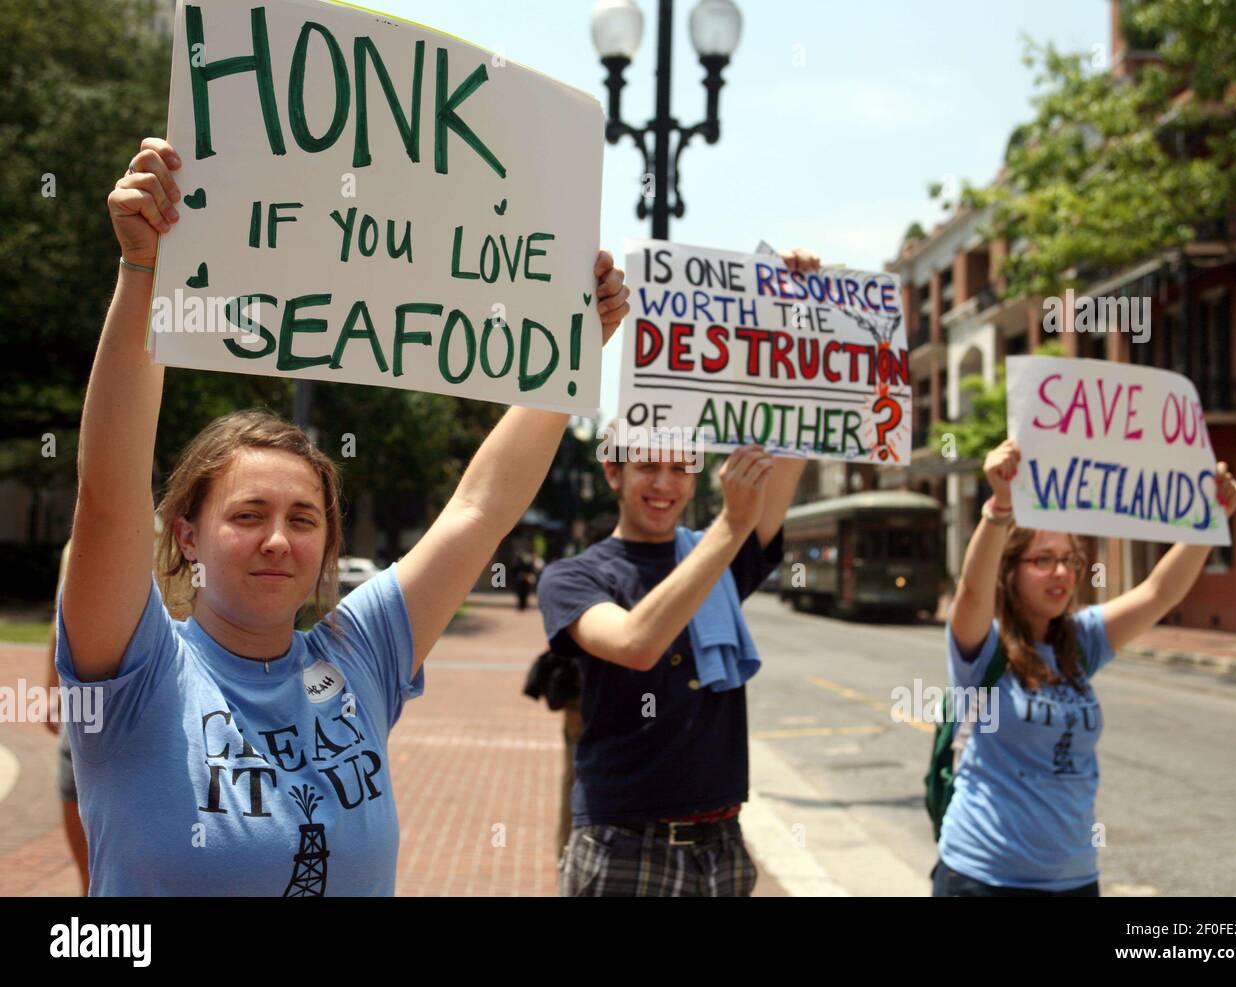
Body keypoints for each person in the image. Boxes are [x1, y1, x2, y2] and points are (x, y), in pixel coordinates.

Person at [55, 136, 629, 896]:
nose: (277, 539)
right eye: (248, 513)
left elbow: (479, 509)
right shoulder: (138, 669)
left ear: (328, 543)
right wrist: (145, 273)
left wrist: (572, 346)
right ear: (187, 533)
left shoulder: (357, 656)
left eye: (303, 518)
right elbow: (108, 492)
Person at [537, 248, 817, 897]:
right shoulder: (574, 576)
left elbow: (795, 447)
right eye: (648, 466)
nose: (666, 483)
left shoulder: (713, 550)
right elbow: (636, 643)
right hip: (626, 845)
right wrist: (727, 526)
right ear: (614, 470)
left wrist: (804, 318)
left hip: (721, 847)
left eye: (681, 466)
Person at [936, 436, 1236, 896]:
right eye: (1043, 560)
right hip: (982, 878)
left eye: (1070, 561)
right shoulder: (985, 648)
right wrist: (1000, 507)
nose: (1061, 573)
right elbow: (973, 595)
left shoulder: (1081, 641)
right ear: (1009, 570)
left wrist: (1212, 519)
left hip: (1075, 880)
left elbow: (1159, 593)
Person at [45, 540, 89, 895]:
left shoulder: (168, 538)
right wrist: (50, 689)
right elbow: (60, 621)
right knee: (71, 785)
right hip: (83, 705)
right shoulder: (76, 544)